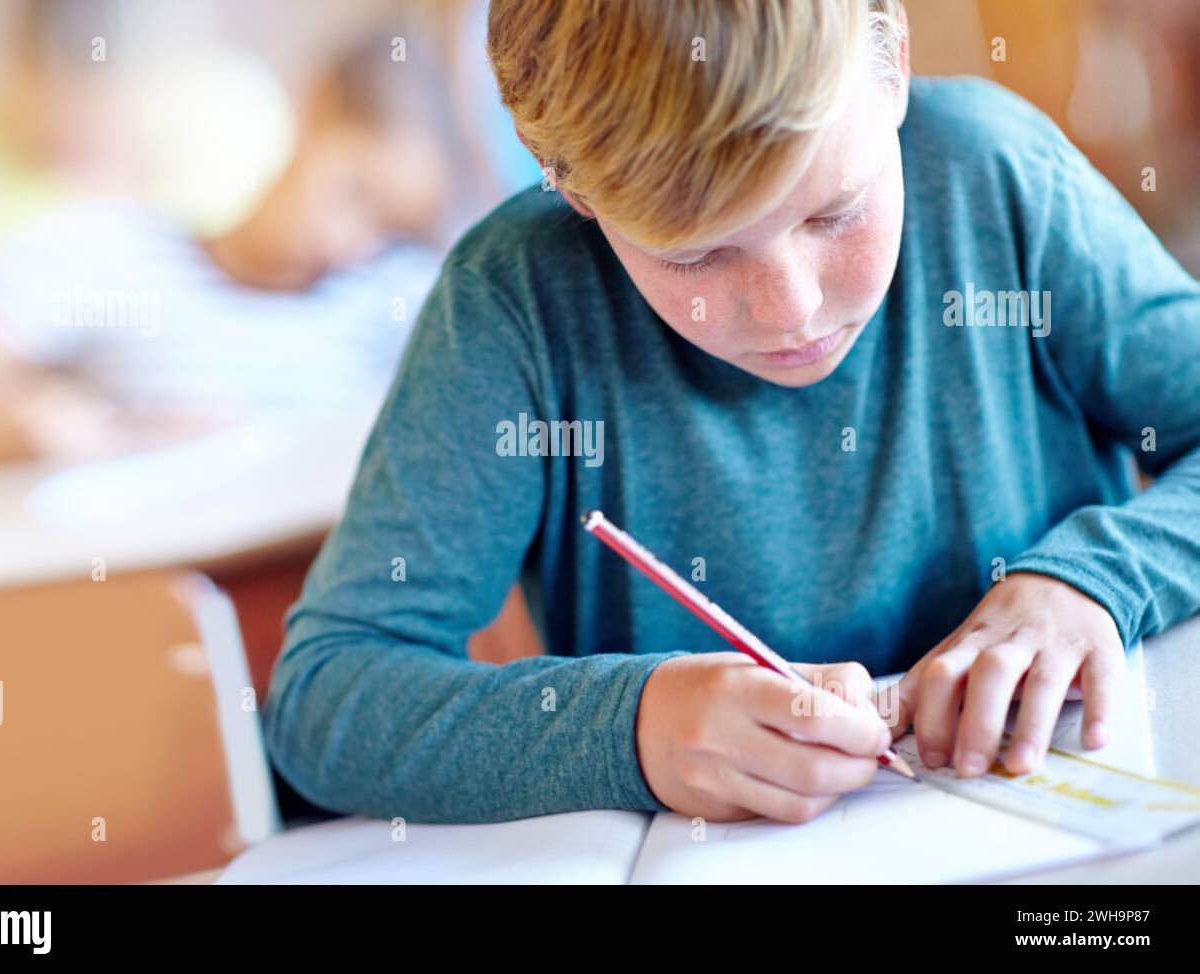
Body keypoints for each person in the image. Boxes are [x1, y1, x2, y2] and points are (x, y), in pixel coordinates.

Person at [263, 0, 1200, 824]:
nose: (791, 310)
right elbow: (328, 697)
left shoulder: (1000, 178)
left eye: (834, 212)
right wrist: (636, 729)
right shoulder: (514, 307)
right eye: (698, 257)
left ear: (897, 60)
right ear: (571, 185)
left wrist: (1093, 582)